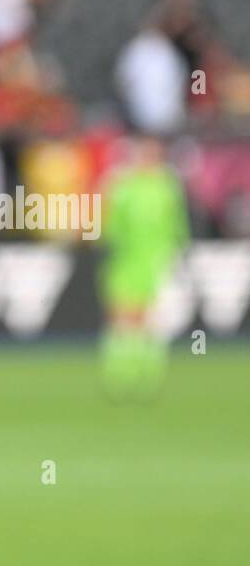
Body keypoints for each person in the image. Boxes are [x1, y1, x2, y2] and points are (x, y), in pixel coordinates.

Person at [97, 133, 190, 401]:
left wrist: (177, 253)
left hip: (158, 260)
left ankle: (150, 374)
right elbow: (111, 226)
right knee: (123, 315)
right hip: (126, 259)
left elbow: (177, 224)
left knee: (150, 317)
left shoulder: (167, 186)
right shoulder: (122, 185)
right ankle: (119, 374)